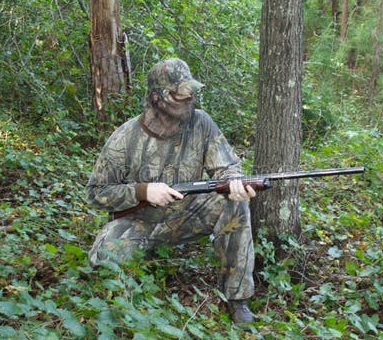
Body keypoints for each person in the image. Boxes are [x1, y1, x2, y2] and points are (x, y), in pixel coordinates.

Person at [86, 58, 256, 325]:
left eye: (191, 92)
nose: (190, 98)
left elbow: (226, 167)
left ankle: (237, 298)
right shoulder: (125, 137)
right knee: (103, 259)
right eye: (181, 94)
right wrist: (142, 191)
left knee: (234, 203)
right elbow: (96, 192)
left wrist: (234, 182)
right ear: (158, 98)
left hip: (186, 215)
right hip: (139, 221)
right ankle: (128, 290)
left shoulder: (201, 123)